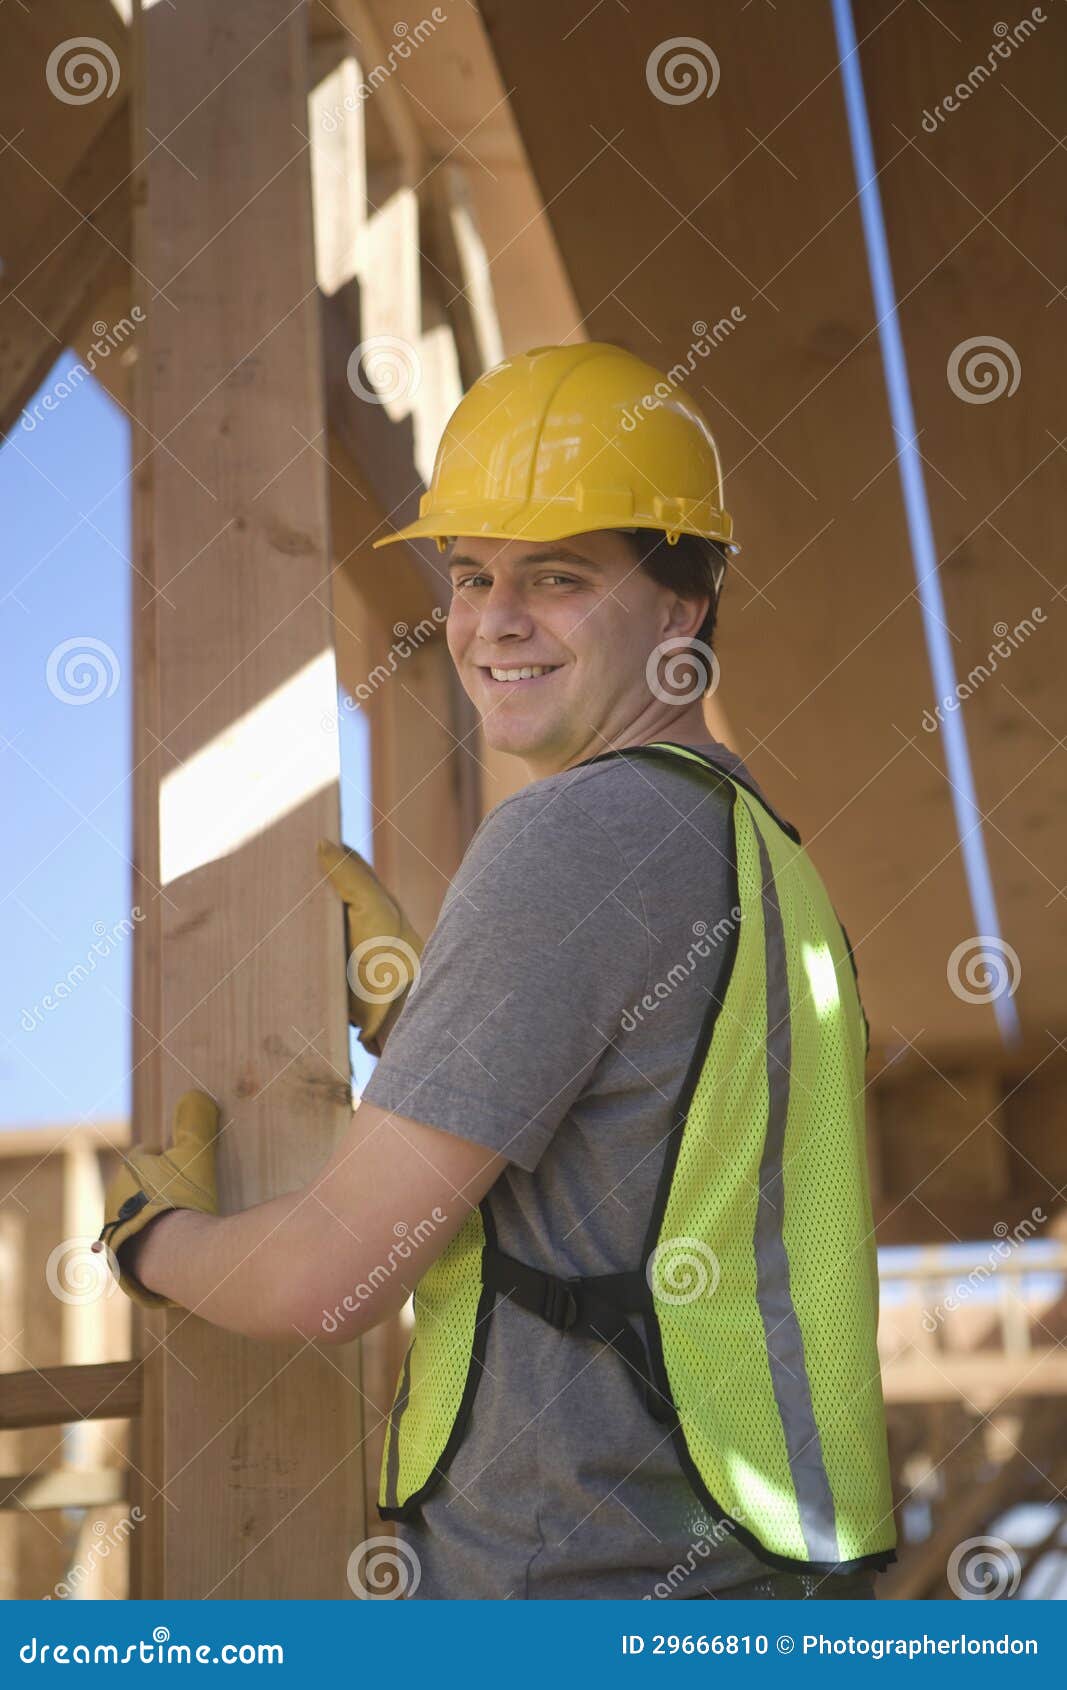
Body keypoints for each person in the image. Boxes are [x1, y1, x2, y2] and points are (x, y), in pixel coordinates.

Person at [98, 342, 896, 1600]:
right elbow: (640, 1156)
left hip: (583, 1589)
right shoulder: (758, 853)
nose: (494, 621)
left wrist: (151, 1243)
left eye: (560, 577)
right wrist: (433, 1023)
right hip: (760, 1589)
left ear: (681, 606)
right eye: (471, 575)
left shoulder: (578, 832)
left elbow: (329, 1277)